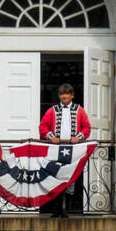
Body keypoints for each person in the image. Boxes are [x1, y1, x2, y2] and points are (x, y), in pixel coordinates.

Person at [39, 84, 91, 216]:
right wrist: (51, 137)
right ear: (59, 96)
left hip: (73, 150)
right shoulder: (52, 110)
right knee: (56, 177)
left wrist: (78, 137)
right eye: (62, 94)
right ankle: (56, 209)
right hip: (56, 150)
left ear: (72, 95)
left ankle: (68, 208)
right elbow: (43, 126)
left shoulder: (80, 110)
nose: (64, 96)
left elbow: (87, 127)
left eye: (67, 94)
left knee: (72, 177)